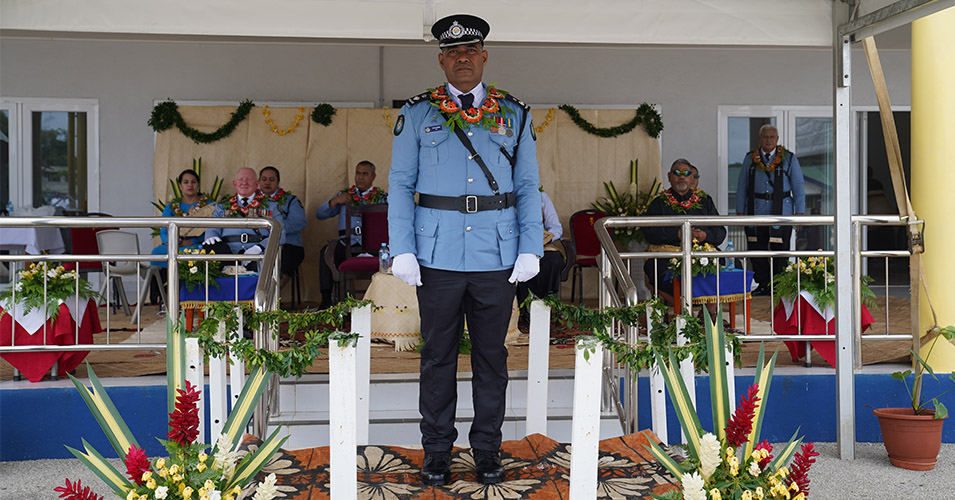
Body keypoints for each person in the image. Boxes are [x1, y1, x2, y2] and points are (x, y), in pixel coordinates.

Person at [388, 13, 543, 486]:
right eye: (453, 52)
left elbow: (528, 185)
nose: (462, 58)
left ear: (484, 57)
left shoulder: (514, 113)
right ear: (441, 61)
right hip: (436, 255)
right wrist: (403, 248)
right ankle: (437, 451)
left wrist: (531, 246)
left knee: (492, 358)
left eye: (470, 51)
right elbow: (400, 184)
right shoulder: (418, 113)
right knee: (437, 356)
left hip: (497, 255)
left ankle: (487, 450)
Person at [735, 124, 805, 295]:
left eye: (772, 137)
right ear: (760, 139)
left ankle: (779, 286)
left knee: (780, 251)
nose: (768, 140)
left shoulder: (789, 158)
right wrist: (740, 212)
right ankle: (763, 284)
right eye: (765, 137)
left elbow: (798, 188)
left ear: (777, 139)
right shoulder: (750, 158)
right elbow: (742, 186)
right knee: (756, 250)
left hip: (782, 212)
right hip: (756, 211)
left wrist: (799, 214)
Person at [644, 159, 725, 303]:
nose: (682, 177)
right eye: (677, 173)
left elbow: (720, 232)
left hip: (702, 252)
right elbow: (649, 232)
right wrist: (677, 234)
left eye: (686, 173)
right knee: (653, 267)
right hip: (670, 255)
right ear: (669, 176)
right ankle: (681, 307)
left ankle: (710, 310)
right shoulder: (658, 203)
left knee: (731, 263)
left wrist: (704, 235)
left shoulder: (705, 201)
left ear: (691, 177)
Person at [314, 160, 387, 309]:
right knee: (326, 252)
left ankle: (385, 302)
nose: (360, 177)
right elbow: (319, 214)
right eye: (358, 173)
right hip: (347, 242)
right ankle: (327, 300)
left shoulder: (381, 197)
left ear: (373, 176)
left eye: (365, 174)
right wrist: (334, 201)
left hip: (374, 245)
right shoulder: (345, 196)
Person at [203, 167, 284, 270]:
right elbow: (212, 227)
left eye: (249, 179)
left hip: (260, 256)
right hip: (227, 255)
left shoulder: (271, 206)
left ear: (257, 183)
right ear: (234, 184)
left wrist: (259, 247)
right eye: (240, 179)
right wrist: (211, 236)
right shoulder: (222, 206)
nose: (244, 182)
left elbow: (280, 233)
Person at [516, 190, 565, 318]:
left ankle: (542, 302)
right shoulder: (502, 196)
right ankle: (521, 306)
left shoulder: (541, 197)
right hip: (513, 246)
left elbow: (556, 228)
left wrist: (545, 238)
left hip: (540, 245)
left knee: (553, 259)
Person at [150, 169, 212, 268]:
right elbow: (164, 231)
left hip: (198, 244)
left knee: (194, 252)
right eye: (186, 182)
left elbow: (213, 231)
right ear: (180, 186)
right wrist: (172, 242)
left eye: (193, 182)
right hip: (174, 245)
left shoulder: (209, 206)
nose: (190, 185)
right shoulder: (172, 207)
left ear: (198, 185)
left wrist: (192, 241)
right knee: (157, 252)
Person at [258, 166, 306, 291]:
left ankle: (271, 295)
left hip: (288, 244)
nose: (267, 183)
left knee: (286, 259)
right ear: (259, 181)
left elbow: (299, 222)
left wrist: (274, 228)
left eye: (271, 180)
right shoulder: (252, 200)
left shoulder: (290, 200)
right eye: (264, 179)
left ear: (278, 182)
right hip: (259, 244)